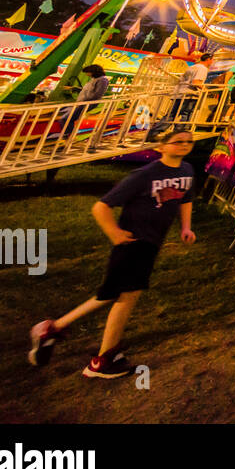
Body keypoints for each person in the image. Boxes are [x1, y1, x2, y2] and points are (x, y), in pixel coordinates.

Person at [28, 128, 197, 378]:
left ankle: (51, 329)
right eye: (176, 142)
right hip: (133, 242)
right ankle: (102, 360)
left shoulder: (187, 170)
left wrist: (186, 227)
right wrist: (115, 234)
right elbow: (101, 207)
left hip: (152, 242)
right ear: (159, 147)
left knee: (109, 295)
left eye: (188, 141)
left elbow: (185, 199)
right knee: (126, 297)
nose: (184, 145)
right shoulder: (144, 175)